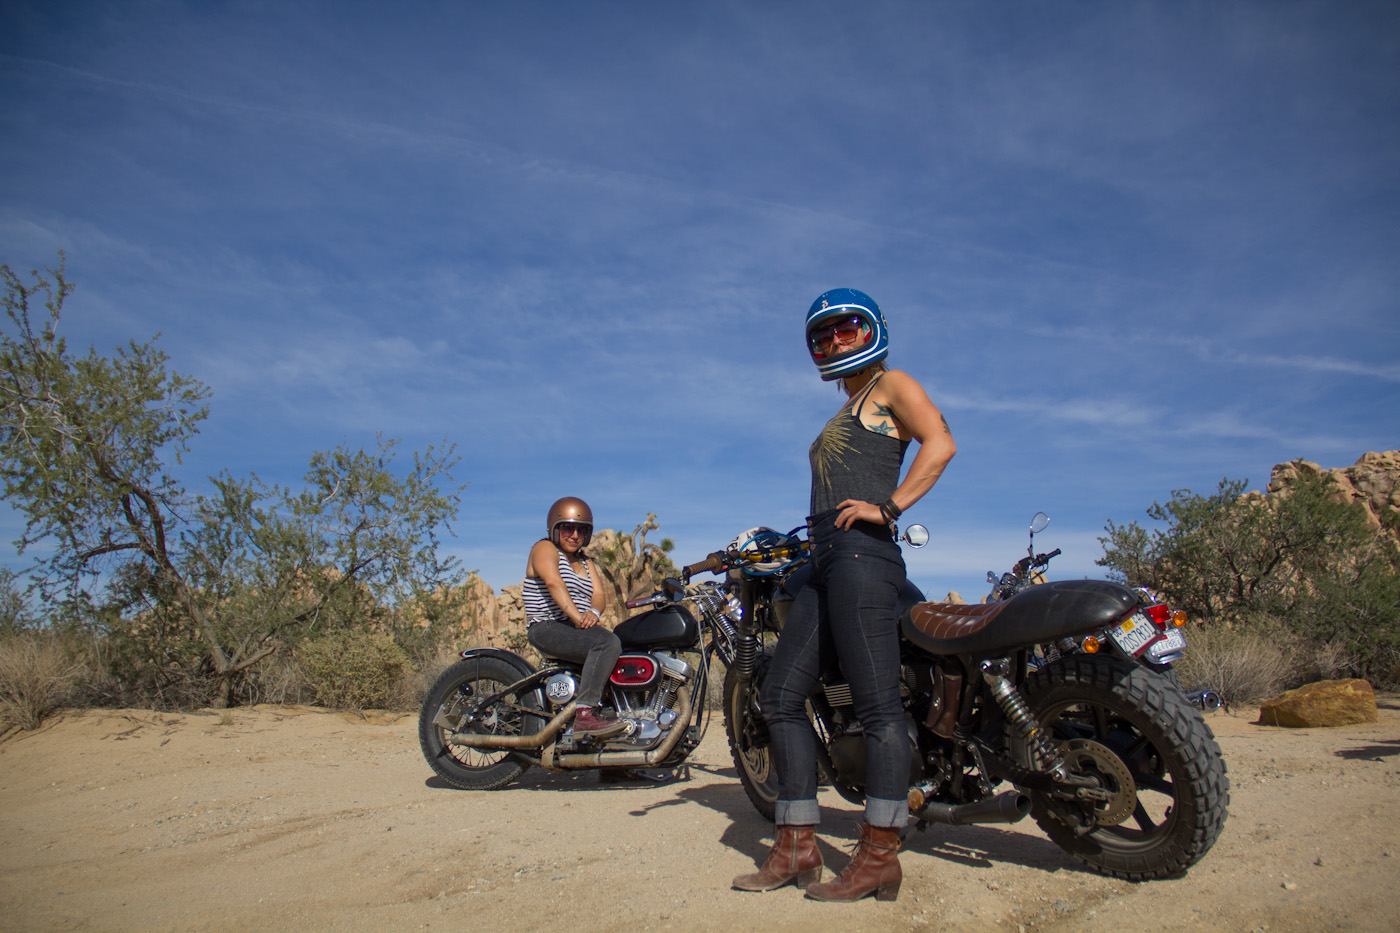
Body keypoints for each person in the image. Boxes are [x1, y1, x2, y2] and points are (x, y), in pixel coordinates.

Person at [732, 288, 957, 902]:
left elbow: (940, 443)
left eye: (847, 328)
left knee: (879, 707)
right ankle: (797, 845)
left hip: (863, 556)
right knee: (780, 696)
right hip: (822, 559)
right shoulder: (850, 404)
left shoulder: (892, 384)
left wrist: (890, 507)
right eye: (822, 336)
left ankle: (879, 855)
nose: (834, 342)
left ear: (874, 329)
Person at [522, 497, 625, 739]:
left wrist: (593, 613)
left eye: (582, 530)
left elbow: (599, 594)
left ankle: (616, 748)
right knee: (606, 643)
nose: (574, 534)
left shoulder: (586, 562)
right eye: (568, 528)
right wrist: (576, 616)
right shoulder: (544, 548)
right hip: (547, 626)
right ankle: (586, 715)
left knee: (619, 650)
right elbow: (553, 582)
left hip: (574, 628)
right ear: (555, 529)